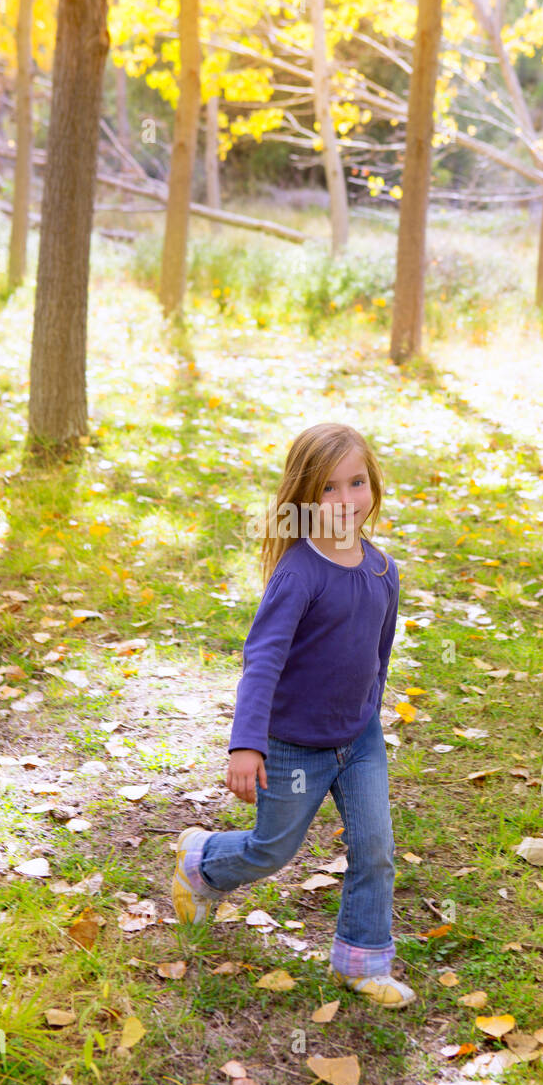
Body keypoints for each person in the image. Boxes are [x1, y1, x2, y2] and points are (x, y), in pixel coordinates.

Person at [170, 422, 415, 1009]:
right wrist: (246, 745)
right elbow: (262, 661)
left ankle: (361, 960)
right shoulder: (299, 573)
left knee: (375, 845)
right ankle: (202, 862)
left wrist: (367, 722)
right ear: (304, 499)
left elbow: (377, 659)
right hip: (294, 745)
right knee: (272, 850)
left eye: (357, 482)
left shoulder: (383, 571)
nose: (346, 500)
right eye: (329, 489)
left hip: (358, 742)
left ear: (373, 484)